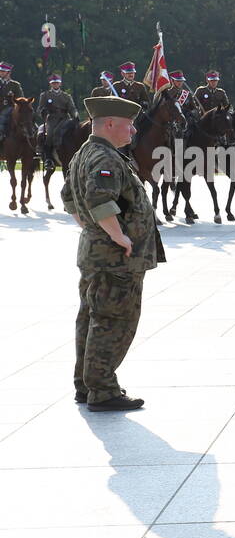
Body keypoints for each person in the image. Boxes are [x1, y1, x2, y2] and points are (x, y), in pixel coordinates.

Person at [60, 94, 166, 411]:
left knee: (92, 319)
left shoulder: (85, 153)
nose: (133, 131)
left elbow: (68, 197)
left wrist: (92, 229)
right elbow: (97, 199)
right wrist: (117, 236)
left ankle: (87, 384)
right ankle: (103, 390)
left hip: (97, 255)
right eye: (129, 125)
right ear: (109, 124)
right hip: (115, 260)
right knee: (114, 321)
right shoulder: (104, 158)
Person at [36, 74, 78, 164]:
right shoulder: (45, 95)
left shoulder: (66, 96)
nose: (55, 84)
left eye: (57, 83)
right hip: (52, 119)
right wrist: (43, 112)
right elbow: (39, 109)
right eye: (53, 83)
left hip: (65, 119)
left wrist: (75, 115)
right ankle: (48, 158)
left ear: (60, 84)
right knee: (50, 134)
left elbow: (72, 108)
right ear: (50, 84)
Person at [0, 62, 24, 140]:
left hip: (9, 108)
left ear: (8, 73)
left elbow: (20, 99)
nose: (1, 73)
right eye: (0, 71)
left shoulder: (15, 85)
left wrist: (13, 100)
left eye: (3, 71)